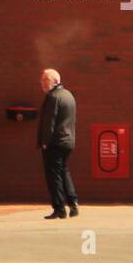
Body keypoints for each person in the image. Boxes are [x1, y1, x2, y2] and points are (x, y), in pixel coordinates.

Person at [37, 67, 79, 219]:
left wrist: (45, 142)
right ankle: (73, 203)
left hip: (54, 142)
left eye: (45, 80)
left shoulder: (53, 96)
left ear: (55, 81)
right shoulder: (68, 95)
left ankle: (59, 208)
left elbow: (50, 121)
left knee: (53, 176)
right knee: (63, 171)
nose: (42, 83)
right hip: (68, 141)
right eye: (41, 80)